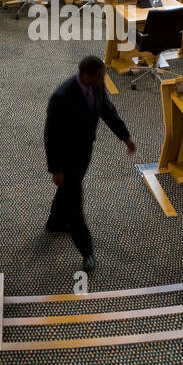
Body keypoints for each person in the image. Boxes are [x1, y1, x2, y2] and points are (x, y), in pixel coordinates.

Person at [43, 55, 136, 271]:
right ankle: (87, 252)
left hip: (84, 152)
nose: (103, 80)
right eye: (100, 76)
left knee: (68, 189)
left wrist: (125, 137)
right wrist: (56, 169)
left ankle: (55, 222)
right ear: (86, 76)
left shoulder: (96, 85)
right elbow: (51, 136)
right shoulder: (62, 97)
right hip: (65, 157)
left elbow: (107, 111)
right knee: (75, 206)